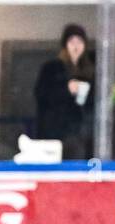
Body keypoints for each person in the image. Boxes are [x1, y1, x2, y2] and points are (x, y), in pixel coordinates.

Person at [34, 23, 96, 161]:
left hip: (81, 134)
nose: (76, 46)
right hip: (55, 134)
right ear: (65, 45)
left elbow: (95, 102)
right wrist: (67, 89)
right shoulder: (52, 68)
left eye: (79, 42)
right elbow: (41, 95)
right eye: (71, 41)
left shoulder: (91, 70)